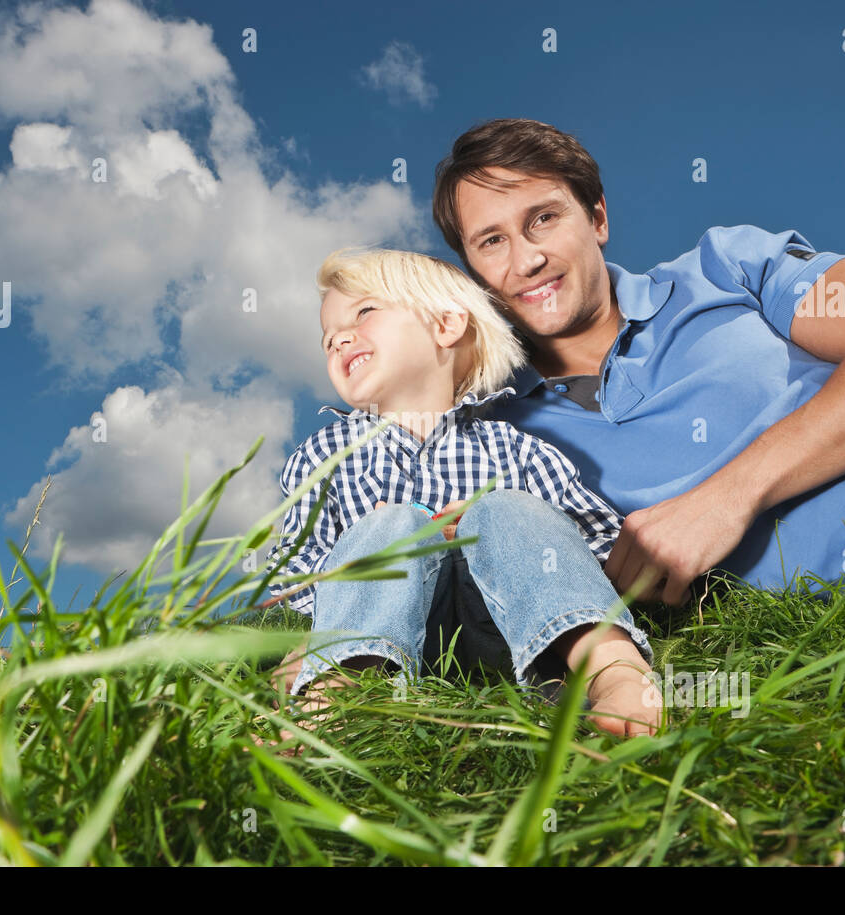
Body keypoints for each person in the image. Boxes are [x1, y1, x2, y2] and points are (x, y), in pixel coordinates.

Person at [429, 117, 845, 605]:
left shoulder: (724, 267)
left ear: (597, 218)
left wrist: (731, 495)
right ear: (472, 272)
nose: (526, 259)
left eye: (543, 219)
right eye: (492, 241)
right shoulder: (491, 434)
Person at [262, 247, 661, 743]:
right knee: (388, 527)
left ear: (446, 325)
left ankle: (614, 670)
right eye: (327, 339)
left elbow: (600, 542)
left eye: (364, 312)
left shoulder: (518, 450)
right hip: (391, 643)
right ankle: (334, 690)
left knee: (508, 509)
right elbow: (293, 570)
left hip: (513, 631)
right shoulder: (324, 455)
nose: (340, 338)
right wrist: (366, 557)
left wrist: (489, 527)